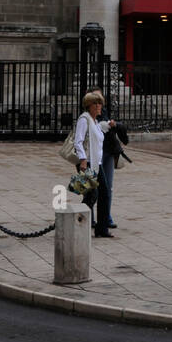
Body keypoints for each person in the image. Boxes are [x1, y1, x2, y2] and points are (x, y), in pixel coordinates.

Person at [72, 90, 116, 238]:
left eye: (100, 103)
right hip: (88, 163)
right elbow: (78, 141)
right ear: (89, 105)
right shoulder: (84, 120)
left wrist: (108, 125)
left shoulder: (95, 121)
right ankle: (76, 222)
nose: (99, 106)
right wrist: (83, 159)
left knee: (103, 193)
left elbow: (99, 131)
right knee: (92, 195)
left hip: (97, 164)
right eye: (96, 103)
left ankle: (101, 229)